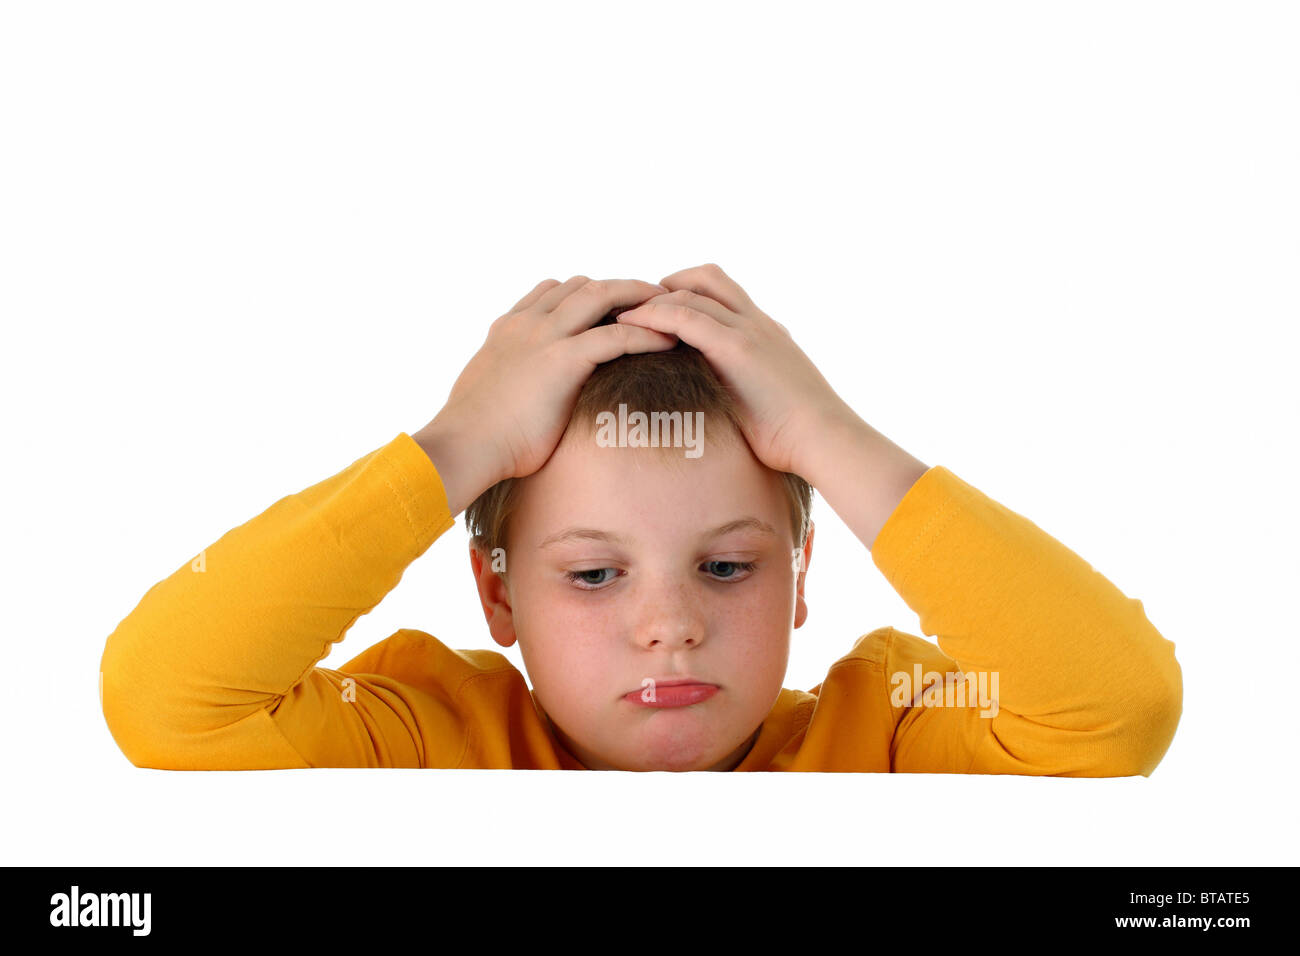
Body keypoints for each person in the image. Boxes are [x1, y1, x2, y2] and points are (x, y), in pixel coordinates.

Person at [100, 263, 1182, 773]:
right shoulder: (429, 735)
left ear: (801, 578)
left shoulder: (883, 729)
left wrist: (827, 433)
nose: (669, 624)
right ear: (496, 593)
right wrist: (455, 447)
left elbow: (1117, 708)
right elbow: (166, 701)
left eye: (724, 567)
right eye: (591, 574)